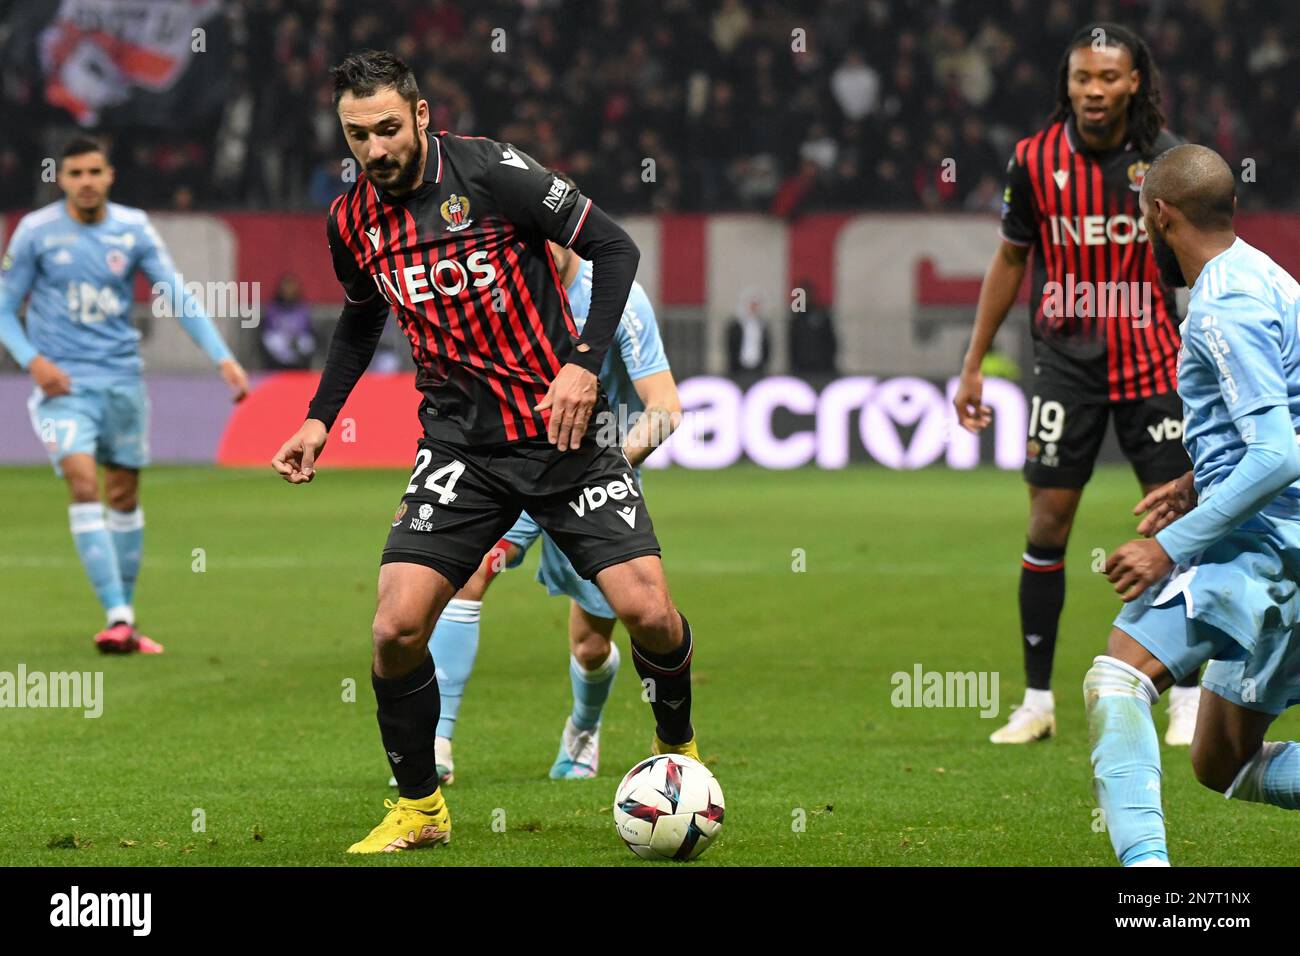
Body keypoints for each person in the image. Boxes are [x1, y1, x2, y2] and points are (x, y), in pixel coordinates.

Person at [271, 51, 701, 854]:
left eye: (388, 128)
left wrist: (581, 361)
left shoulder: (495, 172)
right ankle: (420, 807)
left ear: (423, 115)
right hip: (459, 446)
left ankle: (678, 753)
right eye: (357, 134)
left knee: (648, 612)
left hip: (566, 438)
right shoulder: (350, 220)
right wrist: (319, 418)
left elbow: (615, 248)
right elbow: (362, 317)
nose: (375, 148)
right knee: (396, 627)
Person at [953, 23, 1198, 745]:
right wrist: (974, 359)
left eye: (1108, 78)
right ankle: (1037, 701)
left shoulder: (1168, 160)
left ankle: (1184, 694)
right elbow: (1008, 259)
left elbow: (1203, 259)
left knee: (1175, 528)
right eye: (1082, 78)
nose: (1094, 91)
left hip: (1153, 361)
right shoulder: (1032, 160)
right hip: (1064, 367)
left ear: (1134, 83)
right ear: (1068, 84)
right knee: (1046, 525)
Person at [1089, 143, 1300, 866]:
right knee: (1222, 763)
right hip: (1285, 541)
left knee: (1118, 674)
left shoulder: (1223, 306)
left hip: (1268, 543)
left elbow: (1278, 455)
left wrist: (1168, 545)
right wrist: (1195, 478)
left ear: (1159, 213)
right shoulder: (1268, 279)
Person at [419, 228, 680, 785]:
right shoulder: (501, 291)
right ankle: (435, 742)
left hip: (588, 476)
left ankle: (583, 728)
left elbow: (665, 408)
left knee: (590, 647)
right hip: (508, 467)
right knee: (468, 576)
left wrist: (616, 465)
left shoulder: (618, 299)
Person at [0, 136, 247, 654]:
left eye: (94, 171)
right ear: (61, 179)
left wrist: (222, 357)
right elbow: (3, 309)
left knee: (123, 496)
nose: (86, 181)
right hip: (63, 388)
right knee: (84, 484)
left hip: (122, 382)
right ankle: (115, 615)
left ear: (109, 175)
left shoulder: (132, 228)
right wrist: (34, 361)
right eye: (75, 173)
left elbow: (175, 294)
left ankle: (127, 620)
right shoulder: (35, 232)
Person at [258, 274, 316, 369]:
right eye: (286, 287)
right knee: (273, 340)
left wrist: (296, 338)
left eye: (291, 288)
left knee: (306, 341)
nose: (288, 291)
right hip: (281, 342)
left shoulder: (302, 308)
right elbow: (268, 331)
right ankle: (280, 366)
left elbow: (308, 330)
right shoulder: (272, 308)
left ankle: (300, 364)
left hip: (297, 340)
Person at [789, 280, 838, 376]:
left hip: (822, 366)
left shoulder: (821, 314)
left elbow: (830, 339)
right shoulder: (797, 317)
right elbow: (793, 342)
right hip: (801, 367)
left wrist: (829, 361)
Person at [725, 287, 770, 375]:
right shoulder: (736, 325)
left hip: (758, 368)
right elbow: (731, 346)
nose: (754, 308)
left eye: (756, 305)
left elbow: (766, 346)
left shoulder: (762, 325)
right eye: (751, 305)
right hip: (739, 369)